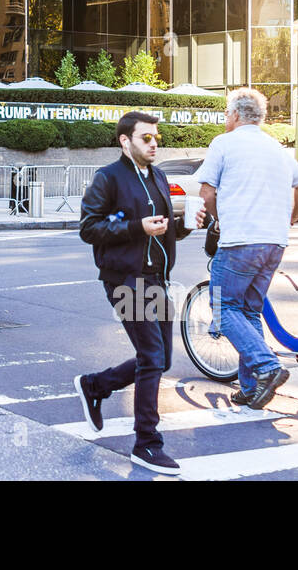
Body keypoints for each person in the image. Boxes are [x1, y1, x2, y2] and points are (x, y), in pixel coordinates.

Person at [75, 110, 203, 476]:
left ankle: (95, 385)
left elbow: (161, 231)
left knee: (159, 360)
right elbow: (90, 227)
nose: (153, 143)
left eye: (155, 137)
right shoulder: (109, 179)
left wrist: (183, 226)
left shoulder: (159, 176)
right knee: (150, 355)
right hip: (125, 279)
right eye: (145, 138)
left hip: (156, 278)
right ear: (125, 141)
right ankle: (146, 443)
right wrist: (135, 227)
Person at [197, 87, 298, 411]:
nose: (224, 119)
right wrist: (293, 217)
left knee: (223, 308)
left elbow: (206, 194)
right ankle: (251, 388)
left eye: (225, 114)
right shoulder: (275, 147)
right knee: (249, 311)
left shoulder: (224, 143)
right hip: (275, 242)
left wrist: (219, 221)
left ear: (234, 115)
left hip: (240, 241)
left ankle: (267, 366)